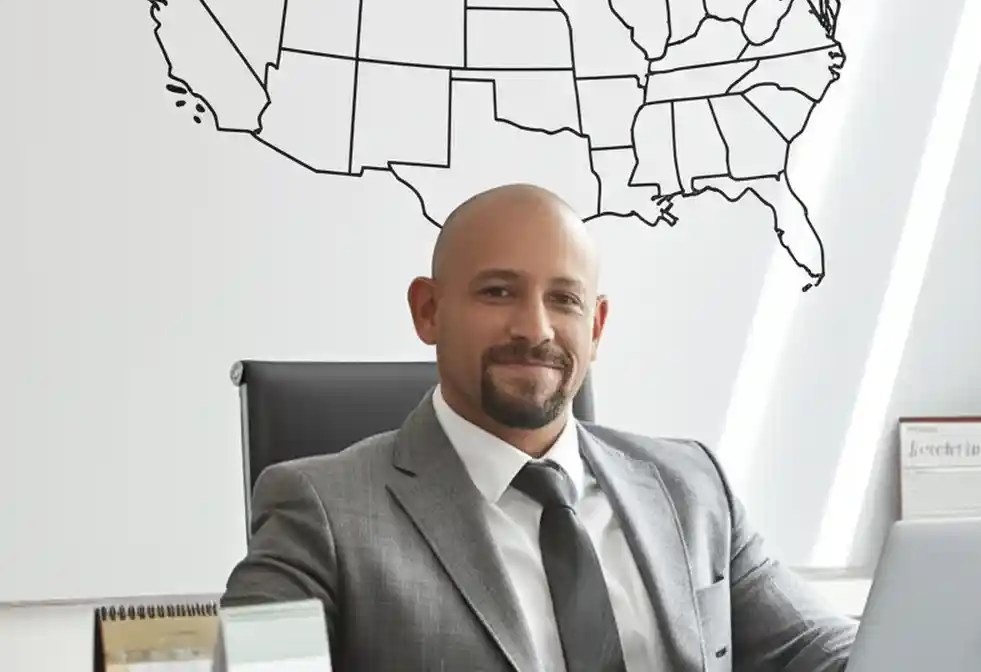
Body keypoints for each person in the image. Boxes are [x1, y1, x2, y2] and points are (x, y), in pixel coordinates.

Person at [222, 184, 856, 671]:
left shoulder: (691, 486)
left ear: (597, 326)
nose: (536, 328)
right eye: (498, 292)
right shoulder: (317, 509)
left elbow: (829, 650)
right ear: (429, 311)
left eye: (565, 299)